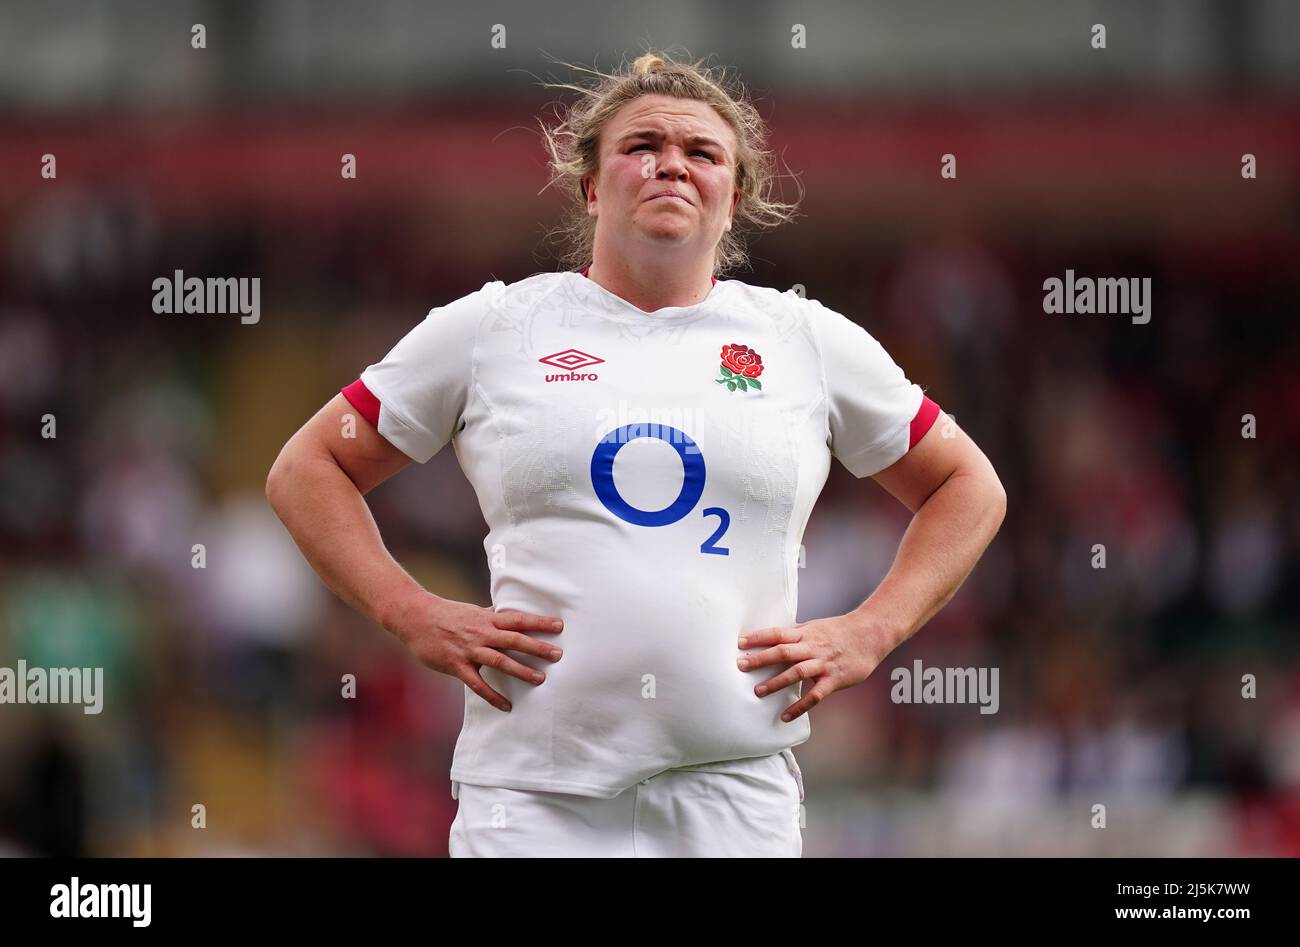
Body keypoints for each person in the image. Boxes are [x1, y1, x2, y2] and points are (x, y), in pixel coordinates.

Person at [265, 51, 1006, 857]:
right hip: (532, 793)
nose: (671, 166)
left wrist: (870, 630)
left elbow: (968, 485)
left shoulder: (806, 341)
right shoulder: (493, 329)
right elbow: (307, 468)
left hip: (733, 790)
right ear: (591, 185)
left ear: (734, 198)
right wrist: (413, 615)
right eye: (642, 144)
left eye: (702, 153)